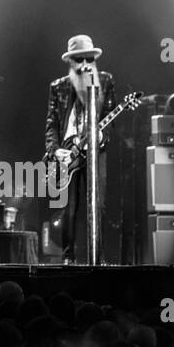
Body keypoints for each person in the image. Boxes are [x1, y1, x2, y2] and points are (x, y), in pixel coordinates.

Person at [43, 35, 115, 264]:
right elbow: (51, 123)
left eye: (88, 59)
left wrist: (104, 134)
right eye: (78, 60)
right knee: (69, 208)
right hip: (68, 152)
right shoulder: (59, 87)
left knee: (98, 205)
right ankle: (68, 258)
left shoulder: (105, 81)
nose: (84, 64)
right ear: (70, 62)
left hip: (95, 150)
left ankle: (98, 256)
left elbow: (111, 118)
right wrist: (55, 150)